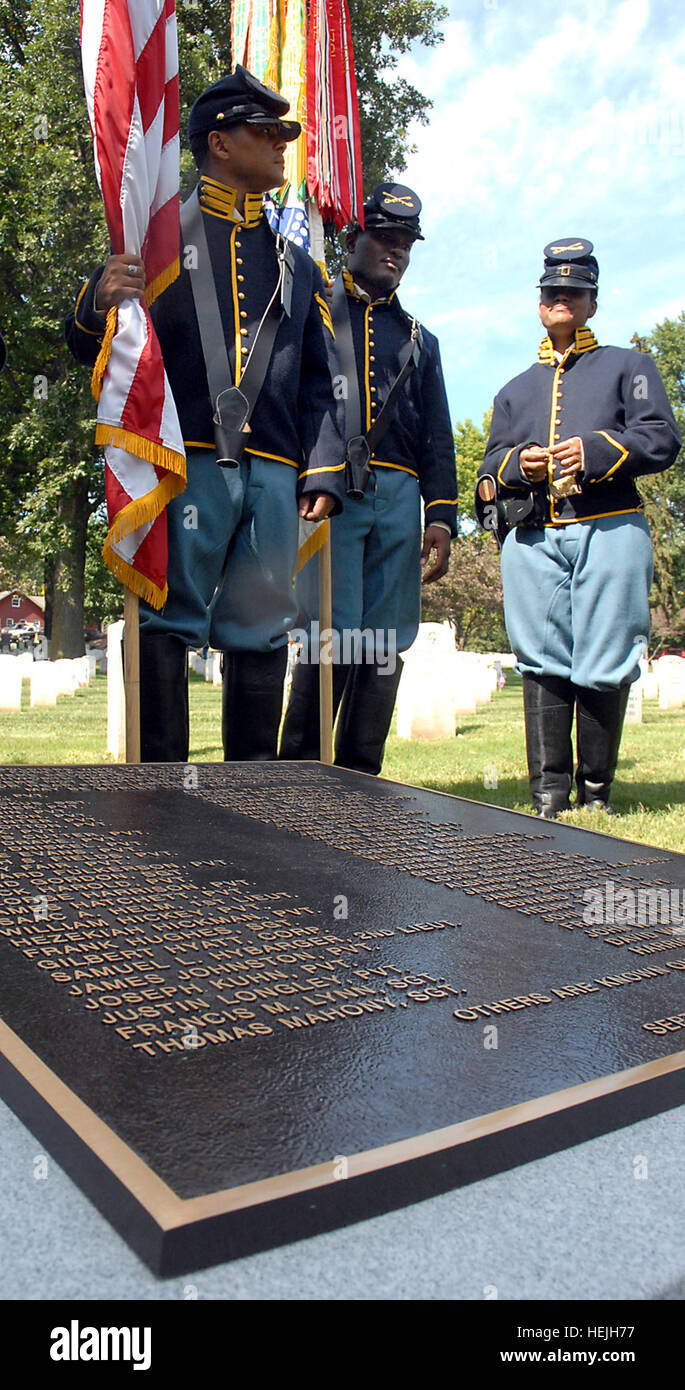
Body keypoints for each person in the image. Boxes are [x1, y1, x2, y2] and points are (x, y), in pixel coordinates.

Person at [65, 66, 344, 762]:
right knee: (168, 615)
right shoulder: (156, 240)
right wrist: (98, 301)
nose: (285, 144)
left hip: (277, 467)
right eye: (269, 132)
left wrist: (325, 471)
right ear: (219, 142)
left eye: (287, 132)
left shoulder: (297, 261)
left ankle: (248, 800)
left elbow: (321, 379)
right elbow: (93, 347)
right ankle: (164, 796)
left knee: (262, 625)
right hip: (181, 456)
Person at [477, 238, 680, 817]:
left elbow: (661, 438)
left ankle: (596, 795)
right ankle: (548, 795)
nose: (561, 299)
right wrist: (520, 463)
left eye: (574, 291)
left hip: (610, 526)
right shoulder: (513, 390)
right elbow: (489, 470)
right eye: (551, 292)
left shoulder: (629, 367)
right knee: (541, 660)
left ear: (592, 302)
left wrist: (593, 452)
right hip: (533, 537)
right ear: (539, 303)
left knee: (606, 658)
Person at [280, 184, 457, 774]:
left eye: (406, 244)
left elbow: (437, 434)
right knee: (331, 628)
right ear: (353, 238)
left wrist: (439, 516)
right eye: (385, 238)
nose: (396, 252)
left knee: (386, 637)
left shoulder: (420, 340)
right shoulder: (315, 312)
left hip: (400, 495)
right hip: (333, 492)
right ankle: (300, 771)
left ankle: (360, 774)